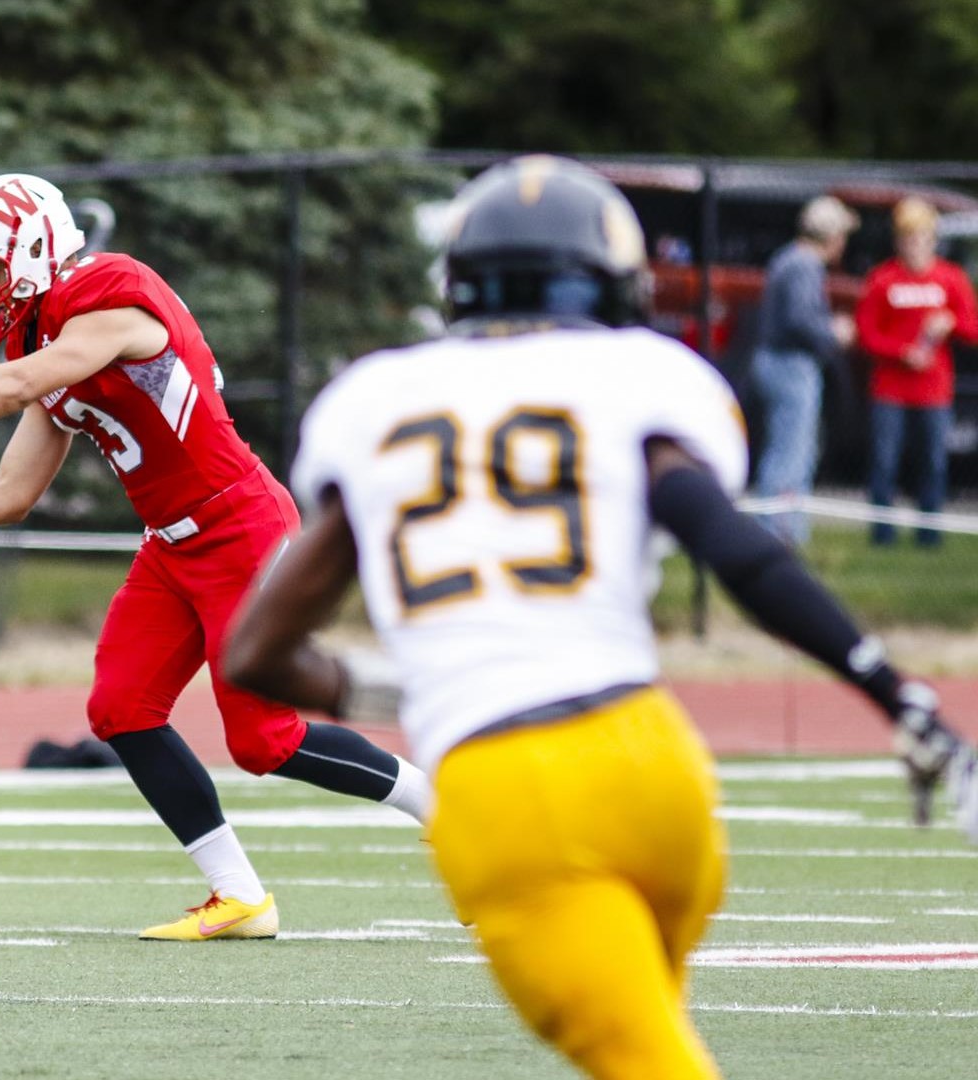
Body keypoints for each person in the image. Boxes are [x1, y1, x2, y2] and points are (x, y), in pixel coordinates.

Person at [222, 156, 968, 1080]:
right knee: (659, 1031)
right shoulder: (643, 376)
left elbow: (254, 653)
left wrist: (411, 677)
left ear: (456, 284)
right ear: (618, 282)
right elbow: (740, 552)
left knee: (649, 1062)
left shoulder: (374, 401)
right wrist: (891, 690)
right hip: (659, 767)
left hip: (510, 788)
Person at [0, 173, 432, 941]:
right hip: (170, 545)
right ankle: (240, 896)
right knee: (121, 707)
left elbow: (19, 386)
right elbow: (14, 489)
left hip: (237, 523)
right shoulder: (38, 333)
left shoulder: (109, 291)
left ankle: (441, 806)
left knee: (262, 740)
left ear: (35, 246)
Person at [855, 197, 978, 547]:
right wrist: (902, 352)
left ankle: (929, 535)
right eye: (908, 237)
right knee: (884, 462)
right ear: (898, 240)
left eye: (921, 236)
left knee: (933, 463)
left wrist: (951, 323)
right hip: (889, 388)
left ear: (932, 238)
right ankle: (881, 534)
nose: (914, 244)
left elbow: (972, 329)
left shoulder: (950, 279)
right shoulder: (882, 280)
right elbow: (867, 334)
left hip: (934, 390)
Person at [750, 194, 858, 545]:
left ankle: (785, 530)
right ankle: (779, 534)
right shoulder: (803, 264)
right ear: (830, 235)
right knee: (791, 452)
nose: (843, 242)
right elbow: (798, 319)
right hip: (790, 366)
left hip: (778, 363)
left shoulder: (790, 259)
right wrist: (833, 331)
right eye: (841, 233)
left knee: (791, 449)